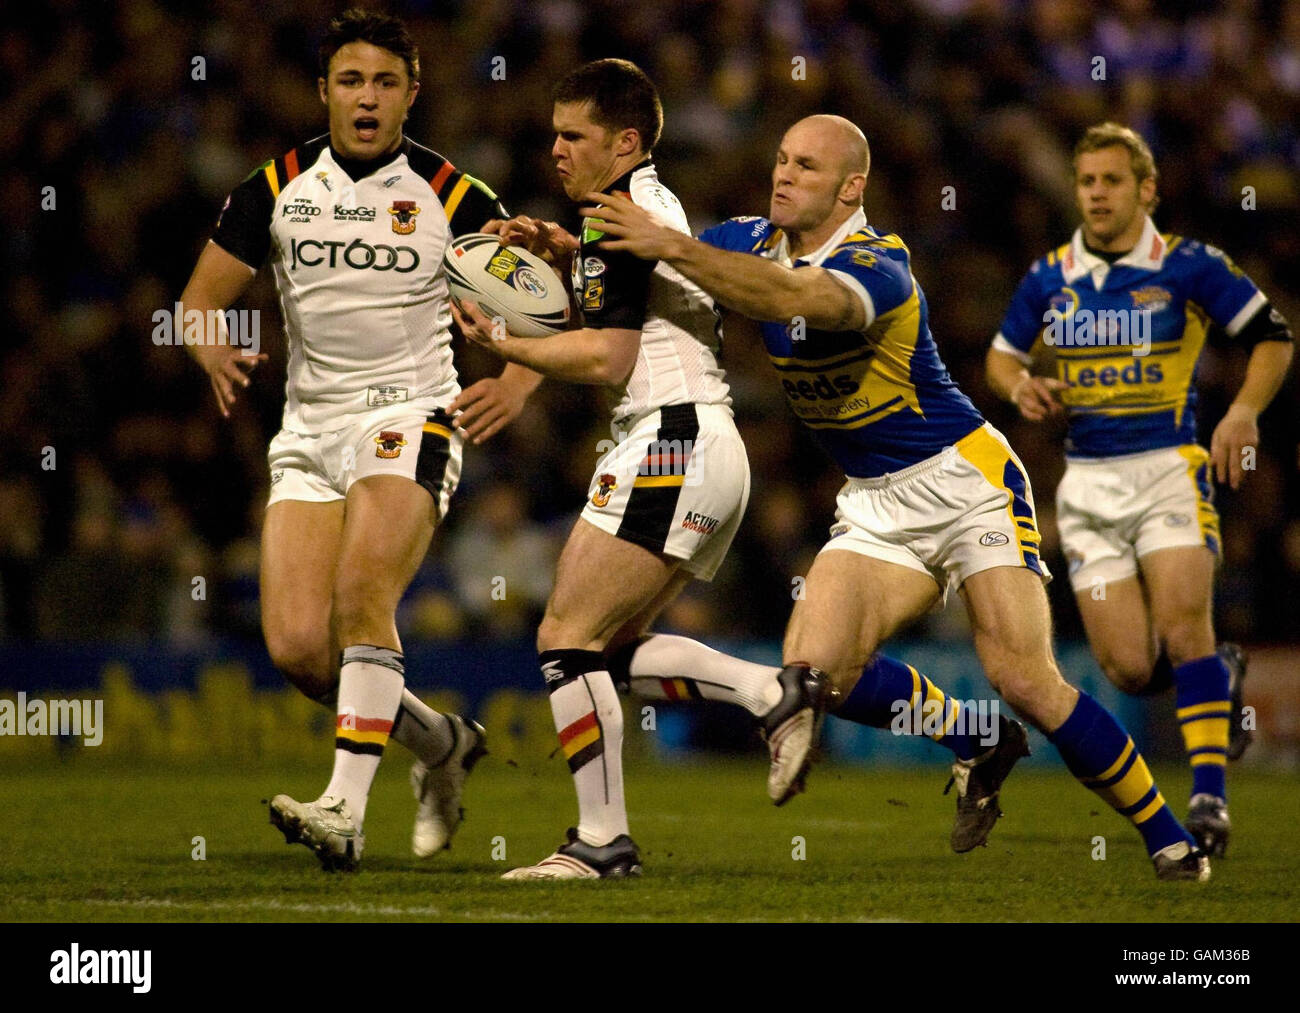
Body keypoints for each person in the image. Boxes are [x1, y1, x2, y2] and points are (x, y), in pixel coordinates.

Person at [585, 113, 1212, 880]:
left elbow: (797, 300)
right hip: (876, 500)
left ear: (851, 188)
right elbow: (652, 269)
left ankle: (1170, 837)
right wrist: (561, 252)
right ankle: (977, 737)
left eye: (807, 168)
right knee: (814, 675)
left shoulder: (880, 265)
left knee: (1025, 677)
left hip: (964, 483)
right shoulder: (748, 239)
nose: (784, 175)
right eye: (781, 160)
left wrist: (674, 246)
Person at [451, 59, 826, 880]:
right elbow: (637, 314)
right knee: (608, 647)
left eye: (573, 134)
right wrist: (564, 248)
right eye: (553, 132)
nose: (555, 149)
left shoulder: (624, 214)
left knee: (563, 637)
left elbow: (612, 355)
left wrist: (506, 346)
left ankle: (602, 839)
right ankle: (769, 695)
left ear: (624, 141)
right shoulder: (629, 212)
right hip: (698, 440)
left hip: (670, 438)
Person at [180, 9, 531, 870]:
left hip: (411, 414)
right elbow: (197, 301)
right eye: (350, 81)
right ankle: (441, 742)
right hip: (309, 429)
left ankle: (343, 806)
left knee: (362, 596)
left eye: (384, 82)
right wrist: (210, 344)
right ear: (325, 92)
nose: (366, 98)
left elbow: (543, 304)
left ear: (412, 94)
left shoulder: (454, 193)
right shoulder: (278, 184)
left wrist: (518, 381)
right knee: (301, 648)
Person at [985, 122, 1294, 857]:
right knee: (1127, 663)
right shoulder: (1050, 276)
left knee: (1186, 626)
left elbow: (1273, 336)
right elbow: (1000, 359)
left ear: (1145, 190)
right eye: (1087, 180)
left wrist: (1244, 411)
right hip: (1088, 485)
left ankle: (1210, 802)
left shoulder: (1189, 266)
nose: (1095, 193)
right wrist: (1022, 385)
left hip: (1169, 470)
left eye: (1111, 180)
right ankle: (1217, 675)